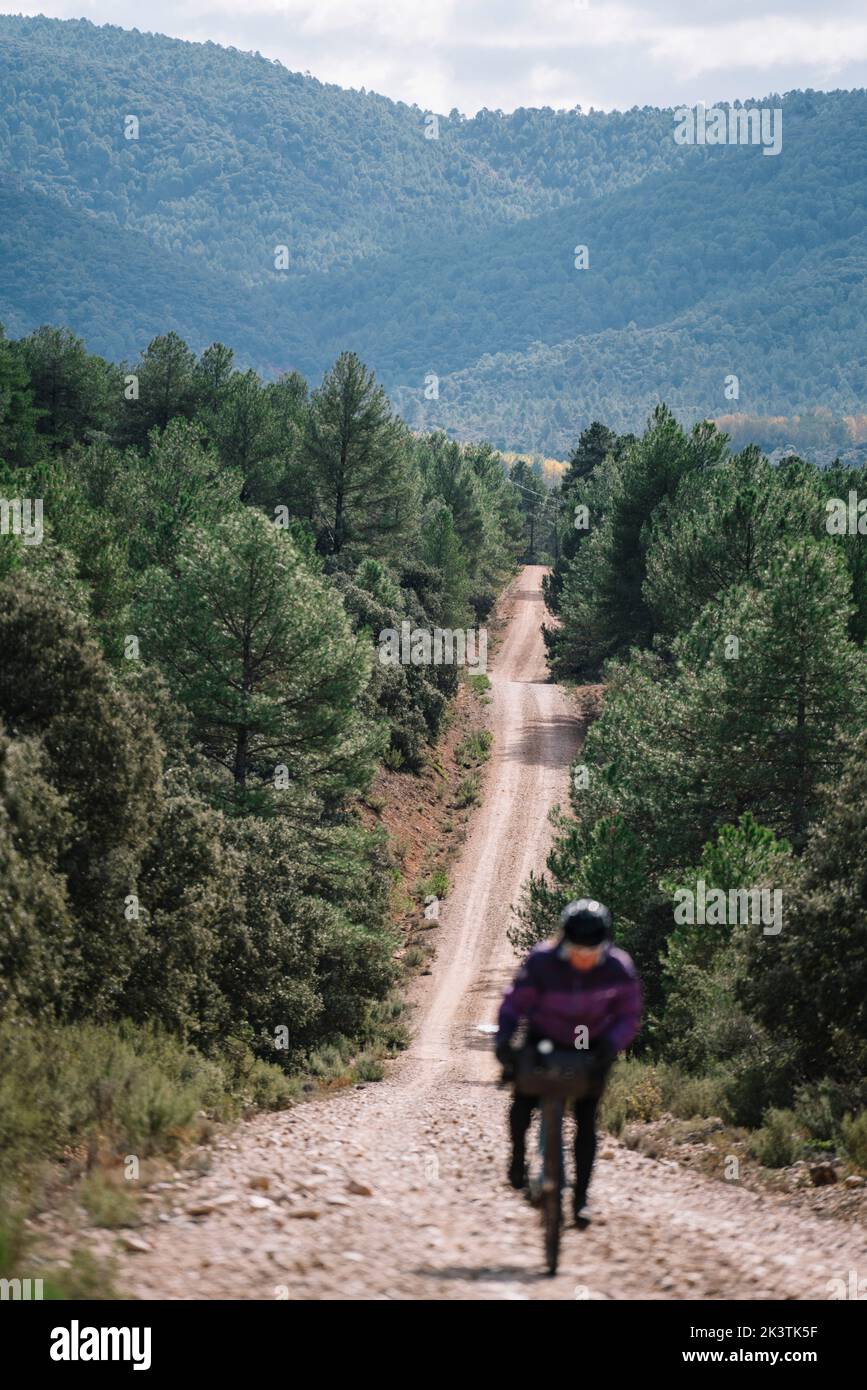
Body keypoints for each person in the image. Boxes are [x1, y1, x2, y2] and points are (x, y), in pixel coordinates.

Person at [495, 898, 641, 1227]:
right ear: (564, 940)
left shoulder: (618, 967)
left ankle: (580, 1200)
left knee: (587, 1120)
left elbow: (628, 1014)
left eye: (591, 953)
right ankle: (517, 1158)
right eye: (577, 951)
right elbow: (513, 1004)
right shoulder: (542, 961)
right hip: (544, 1037)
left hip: (589, 1043)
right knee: (522, 1098)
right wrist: (504, 1042)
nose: (584, 959)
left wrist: (611, 1044)